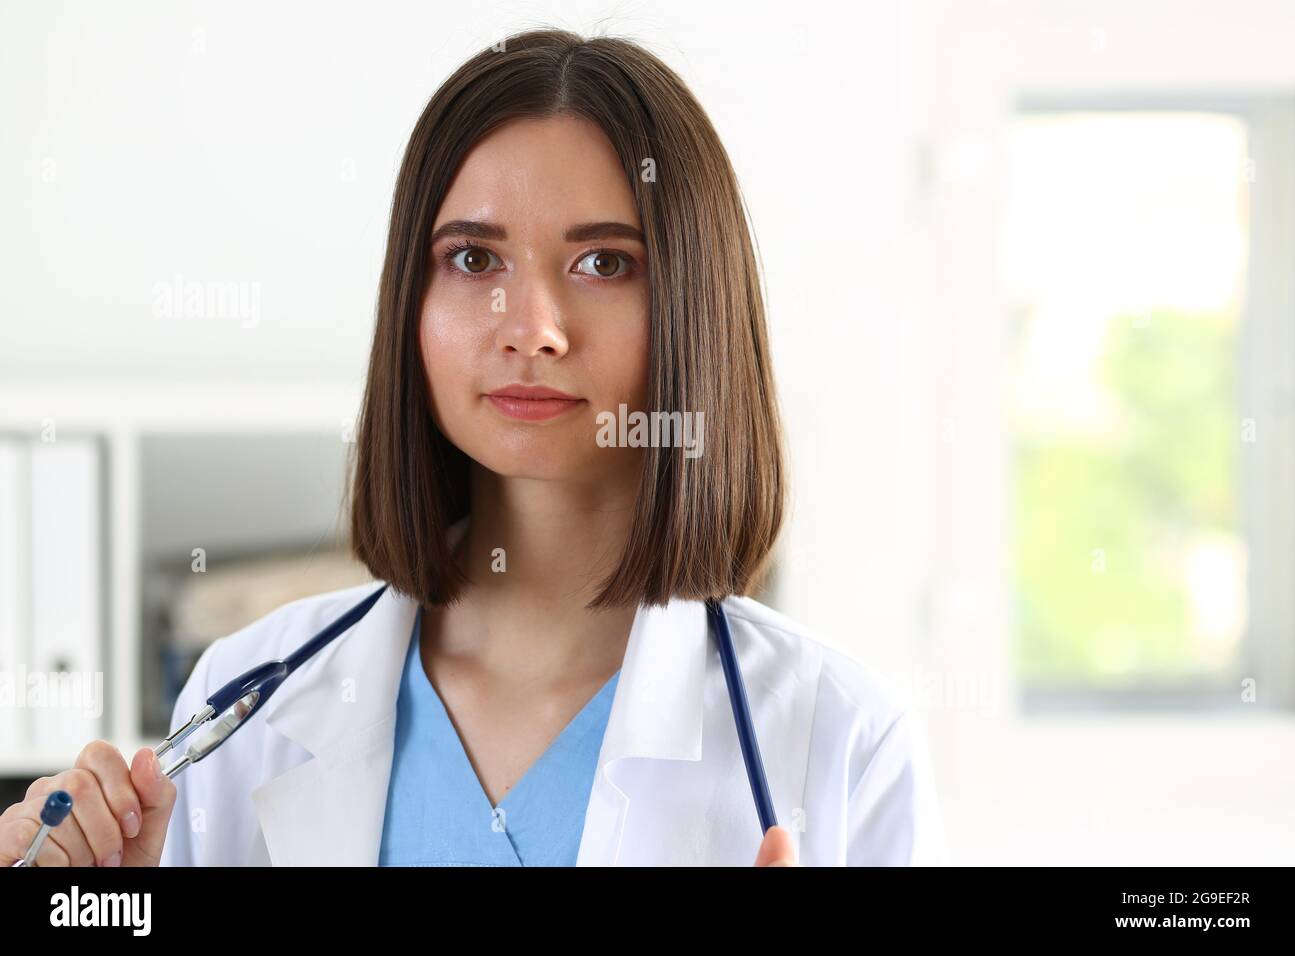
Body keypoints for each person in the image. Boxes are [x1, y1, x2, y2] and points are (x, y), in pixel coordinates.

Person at [0, 27, 947, 867]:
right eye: (473, 258)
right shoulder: (242, 710)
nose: (529, 325)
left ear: (697, 309)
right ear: (409, 303)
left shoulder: (842, 742)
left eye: (604, 262)